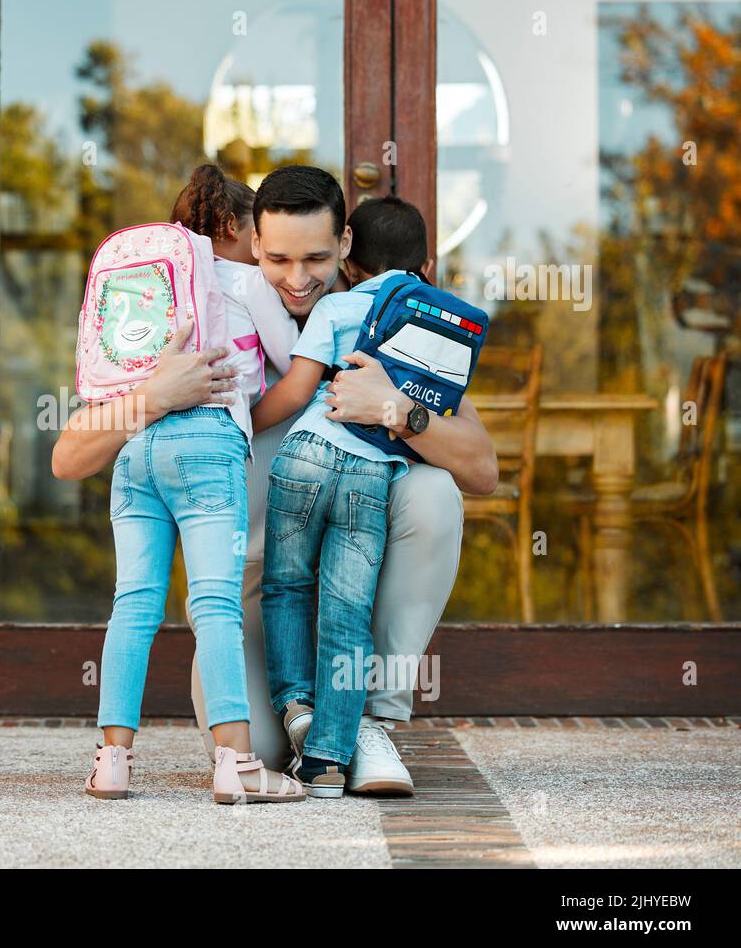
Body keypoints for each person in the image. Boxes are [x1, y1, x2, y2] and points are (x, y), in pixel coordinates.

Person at [54, 167, 497, 795]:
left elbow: (481, 470)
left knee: (433, 493)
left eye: (316, 258)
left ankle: (367, 719)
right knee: (255, 747)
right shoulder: (211, 323)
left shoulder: (385, 328)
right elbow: (69, 457)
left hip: (356, 589)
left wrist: (395, 407)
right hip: (252, 604)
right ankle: (296, 720)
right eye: (279, 259)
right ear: (251, 245)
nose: (297, 279)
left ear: (345, 246)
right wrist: (152, 400)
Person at [74, 171, 304, 804]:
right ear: (235, 228)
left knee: (134, 604)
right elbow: (288, 357)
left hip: (136, 445)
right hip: (207, 444)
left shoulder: (150, 285)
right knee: (215, 606)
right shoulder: (245, 279)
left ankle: (112, 763)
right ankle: (237, 766)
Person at [250, 184, 435, 796]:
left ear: (348, 260)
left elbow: (298, 392)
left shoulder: (338, 307)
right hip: (370, 476)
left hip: (307, 456)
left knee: (286, 587)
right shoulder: (432, 324)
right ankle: (328, 763)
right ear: (425, 269)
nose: (300, 277)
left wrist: (236, 422)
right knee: (346, 615)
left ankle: (296, 706)